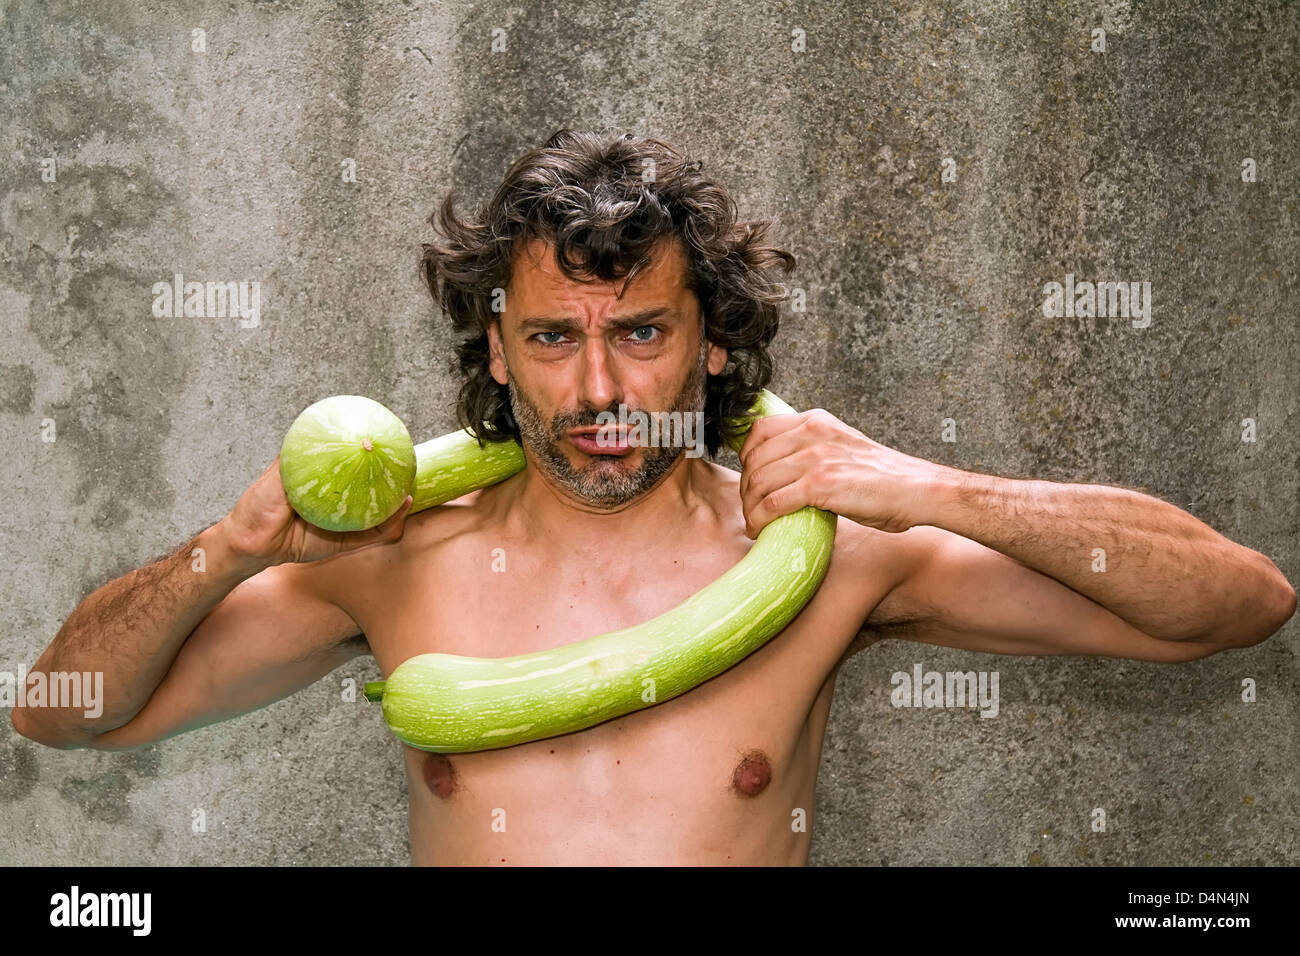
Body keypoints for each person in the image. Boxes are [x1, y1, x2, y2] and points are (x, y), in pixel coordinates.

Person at [14, 129, 1295, 865]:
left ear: (713, 343)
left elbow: (1234, 602)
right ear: (497, 347)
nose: (597, 389)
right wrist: (226, 550)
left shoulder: (830, 556)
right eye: (554, 340)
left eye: (639, 332)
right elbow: (61, 714)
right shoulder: (392, 561)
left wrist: (926, 486)